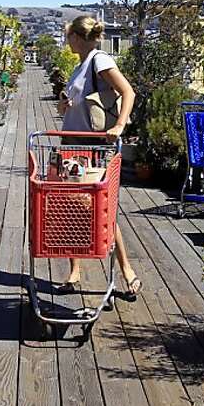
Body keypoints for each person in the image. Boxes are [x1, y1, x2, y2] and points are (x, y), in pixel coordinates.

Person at [56, 15, 141, 296]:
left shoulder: (99, 60)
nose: (67, 41)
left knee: (101, 209)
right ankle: (74, 271)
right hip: (72, 146)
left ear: (78, 37)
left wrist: (119, 124)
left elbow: (128, 91)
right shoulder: (79, 67)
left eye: (68, 36)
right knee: (74, 210)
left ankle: (126, 269)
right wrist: (64, 104)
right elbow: (70, 109)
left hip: (92, 147)